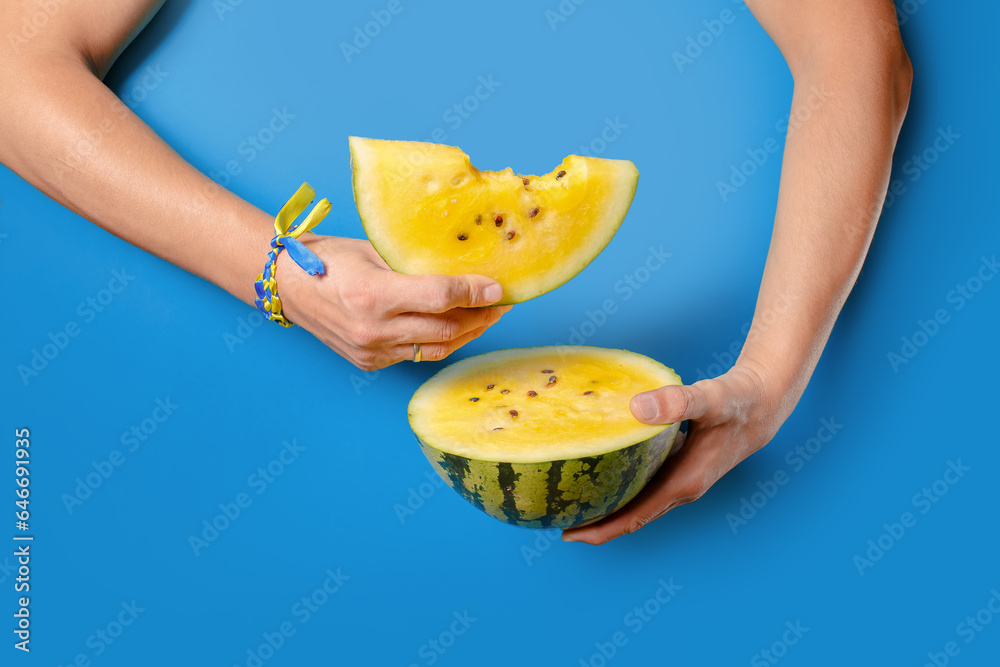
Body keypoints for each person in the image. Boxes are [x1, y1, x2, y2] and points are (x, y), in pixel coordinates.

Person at [0, 0, 911, 544]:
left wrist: (769, 376)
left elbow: (852, 43)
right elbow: (15, 63)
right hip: (221, 465)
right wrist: (275, 267)